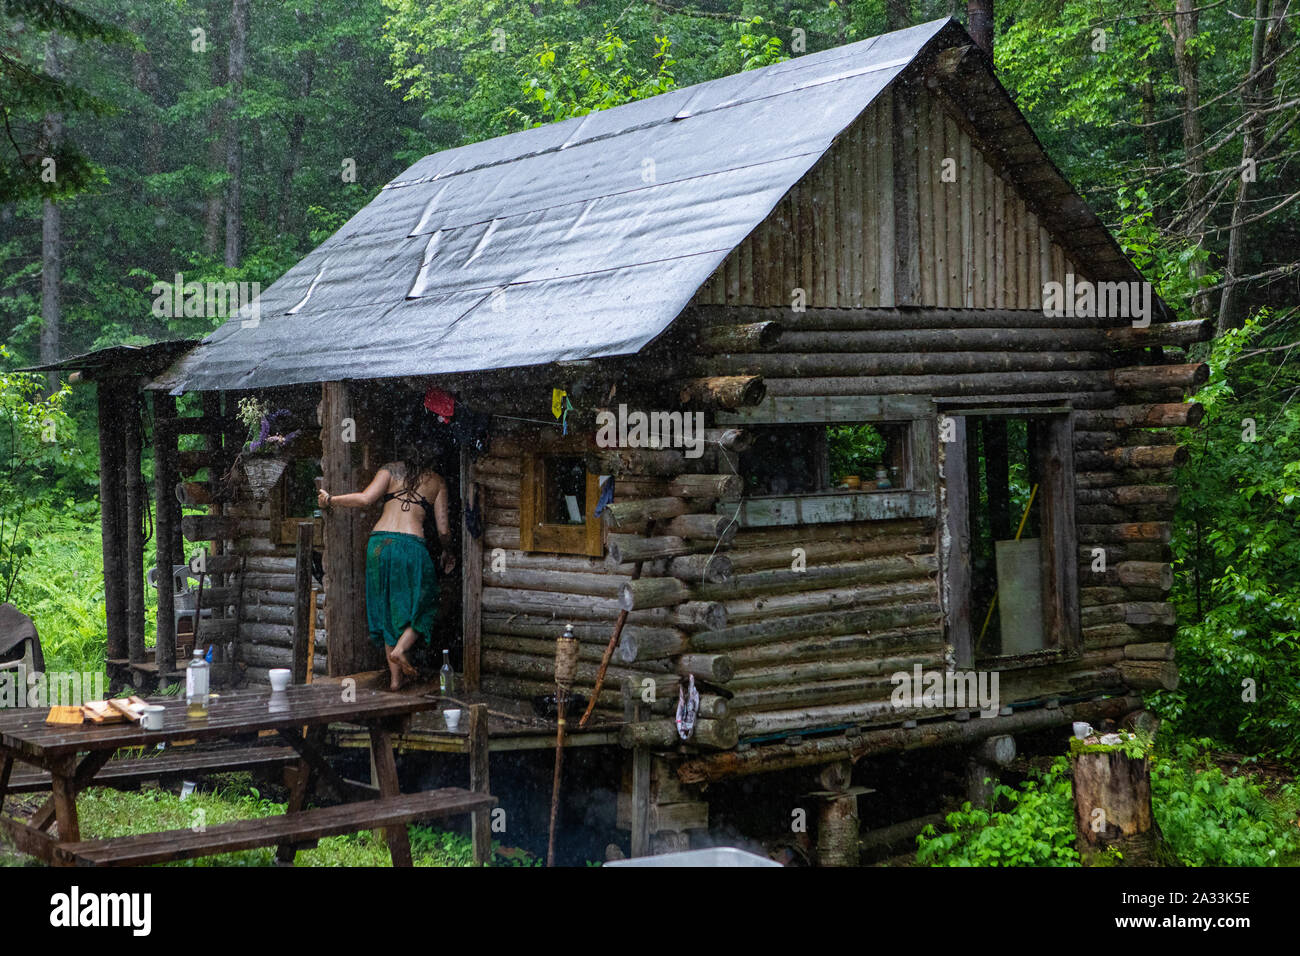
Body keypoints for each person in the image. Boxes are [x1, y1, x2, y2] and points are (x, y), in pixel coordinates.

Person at [317, 444, 455, 690]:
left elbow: (365, 499)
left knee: (387, 608)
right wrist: (448, 550)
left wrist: (330, 499)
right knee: (428, 601)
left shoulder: (389, 471)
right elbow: (443, 529)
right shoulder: (437, 482)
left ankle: (394, 681)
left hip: (379, 545)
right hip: (411, 546)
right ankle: (401, 649)